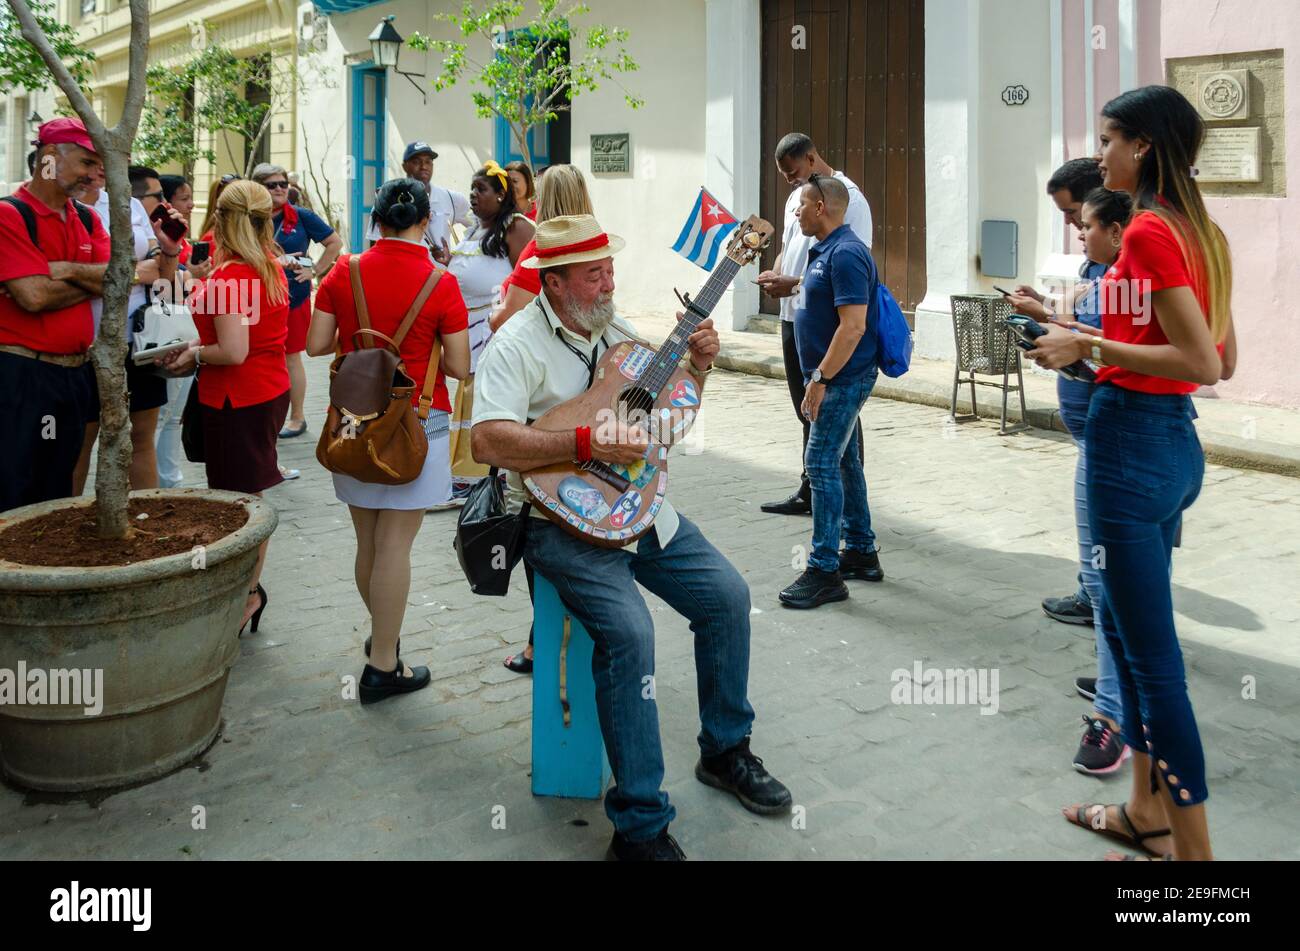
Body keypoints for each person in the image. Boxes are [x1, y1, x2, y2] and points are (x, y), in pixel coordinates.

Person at [472, 213, 792, 860]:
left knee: (727, 595)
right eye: (595, 274)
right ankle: (640, 824)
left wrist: (698, 369)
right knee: (631, 633)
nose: (609, 282)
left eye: (611, 268)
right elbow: (486, 440)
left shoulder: (613, 332)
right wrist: (584, 440)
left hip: (636, 507)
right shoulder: (515, 345)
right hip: (555, 517)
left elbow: (666, 423)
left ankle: (725, 750)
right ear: (555, 283)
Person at [1028, 85, 1237, 862]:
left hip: (1129, 449)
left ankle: (1196, 861)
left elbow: (1202, 360)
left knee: (1153, 665)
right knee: (1119, 625)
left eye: (1111, 137)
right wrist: (1080, 329)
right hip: (1172, 447)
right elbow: (1216, 350)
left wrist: (1092, 349)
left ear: (1144, 145)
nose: (1102, 152)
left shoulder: (1149, 231)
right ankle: (1145, 810)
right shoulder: (1201, 232)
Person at [307, 178, 471, 704]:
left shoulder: (344, 271)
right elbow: (460, 366)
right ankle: (382, 665)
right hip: (416, 423)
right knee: (395, 546)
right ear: (426, 222)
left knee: (368, 543)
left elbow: (314, 345)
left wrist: (363, 339)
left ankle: (385, 640)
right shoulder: (441, 282)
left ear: (376, 220)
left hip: (354, 419)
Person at [1007, 168, 1136, 777]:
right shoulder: (1115, 265)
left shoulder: (1149, 254)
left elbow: (1205, 359)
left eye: (1081, 222)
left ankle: (1116, 715)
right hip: (1112, 428)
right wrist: (1053, 322)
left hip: (1127, 433)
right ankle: (1124, 696)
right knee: (1121, 580)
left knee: (1119, 579)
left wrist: (1076, 342)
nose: (1075, 233)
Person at [158, 180, 292, 636]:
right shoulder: (268, 266)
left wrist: (193, 353)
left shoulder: (233, 276)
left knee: (239, 505)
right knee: (246, 499)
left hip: (240, 397)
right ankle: (247, 590)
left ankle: (246, 594)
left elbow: (233, 351)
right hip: (263, 390)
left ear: (224, 219)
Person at [488, 163, 594, 674]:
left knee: (541, 525)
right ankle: (556, 639)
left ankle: (543, 643)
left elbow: (510, 319)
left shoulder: (541, 252)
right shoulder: (593, 246)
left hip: (543, 412)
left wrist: (490, 315)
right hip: (587, 399)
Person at [777, 175, 883, 609]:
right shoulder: (825, 252)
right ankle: (860, 550)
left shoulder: (848, 254)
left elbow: (854, 326)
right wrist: (793, 286)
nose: (796, 212)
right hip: (831, 375)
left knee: (819, 462)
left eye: (801, 206)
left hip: (841, 378)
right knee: (843, 462)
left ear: (821, 206)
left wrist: (819, 379)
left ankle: (824, 570)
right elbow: (824, 300)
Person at [756, 133, 873, 516]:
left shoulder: (849, 197)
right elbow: (791, 245)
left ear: (810, 157)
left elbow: (851, 269)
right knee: (806, 406)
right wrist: (777, 271)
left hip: (827, 322)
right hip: (794, 316)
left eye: (792, 172)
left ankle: (840, 496)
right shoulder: (798, 195)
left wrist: (794, 283)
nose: (789, 181)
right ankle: (812, 488)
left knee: (836, 410)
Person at [0, 118, 109, 512]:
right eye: (86, 162)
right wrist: (87, 278)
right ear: (49, 158)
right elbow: (34, 296)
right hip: (24, 377)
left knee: (58, 485)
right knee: (15, 486)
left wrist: (61, 269)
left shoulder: (86, 217)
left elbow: (117, 278)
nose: (95, 174)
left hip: (74, 375)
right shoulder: (9, 215)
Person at [68, 164, 181, 496]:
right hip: (86, 343)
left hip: (140, 339)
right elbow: (68, 273)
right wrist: (135, 271)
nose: (97, 169)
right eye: (87, 162)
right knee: (81, 440)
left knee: (142, 437)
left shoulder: (127, 204)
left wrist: (106, 275)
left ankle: (146, 514)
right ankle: (70, 515)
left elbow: (163, 270)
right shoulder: (68, 208)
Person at [445, 160, 533, 499]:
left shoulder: (517, 228)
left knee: (487, 399)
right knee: (470, 397)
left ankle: (486, 477)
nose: (473, 195)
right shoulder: (474, 228)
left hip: (496, 330)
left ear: (501, 195)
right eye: (471, 188)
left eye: (481, 189)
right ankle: (468, 474)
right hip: (467, 329)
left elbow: (529, 280)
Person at [250, 163, 341, 441]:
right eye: (271, 185)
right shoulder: (248, 216)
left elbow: (334, 243)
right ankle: (260, 413)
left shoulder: (300, 216)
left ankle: (297, 416)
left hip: (293, 297)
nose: (279, 189)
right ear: (258, 188)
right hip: (256, 295)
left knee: (290, 357)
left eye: (282, 184)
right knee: (257, 355)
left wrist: (314, 270)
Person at [153, 174, 202, 489]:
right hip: (163, 334)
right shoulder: (155, 238)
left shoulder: (180, 238)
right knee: (158, 418)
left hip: (185, 331)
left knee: (173, 417)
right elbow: (159, 283)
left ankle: (170, 481)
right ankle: (148, 485)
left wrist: (192, 277)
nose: (191, 203)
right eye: (184, 197)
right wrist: (188, 277)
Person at [364, 141, 471, 265]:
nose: (423, 166)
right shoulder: (387, 200)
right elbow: (375, 246)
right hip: (400, 276)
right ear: (405, 166)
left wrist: (461, 254)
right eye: (416, 162)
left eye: (428, 161)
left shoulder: (452, 198)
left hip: (439, 278)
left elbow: (480, 227)